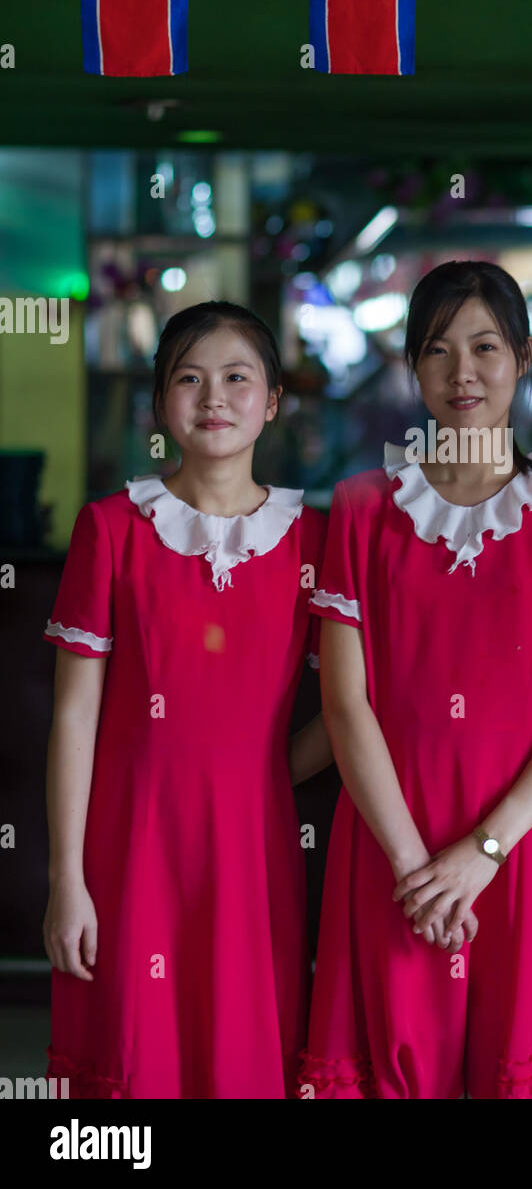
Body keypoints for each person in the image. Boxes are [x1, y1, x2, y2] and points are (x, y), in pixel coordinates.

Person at [298, 261, 532, 1099]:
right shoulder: (360, 508)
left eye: (485, 346)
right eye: (437, 351)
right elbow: (346, 704)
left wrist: (484, 852)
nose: (463, 373)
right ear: (410, 368)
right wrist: (421, 867)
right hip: (392, 839)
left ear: (524, 357)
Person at [42, 301, 331, 1098]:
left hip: (253, 842)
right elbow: (74, 716)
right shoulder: (110, 529)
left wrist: (264, 771)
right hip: (130, 841)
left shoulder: (312, 538)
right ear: (160, 403)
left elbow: (351, 707)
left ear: (272, 400)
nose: (214, 397)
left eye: (238, 378)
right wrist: (68, 878)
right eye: (189, 379)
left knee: (240, 1043)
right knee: (134, 1051)